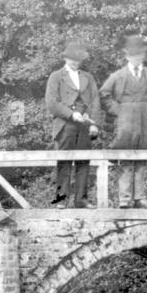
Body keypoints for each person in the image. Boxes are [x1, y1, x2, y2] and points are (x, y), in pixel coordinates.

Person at [99, 33, 147, 209]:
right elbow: (103, 95)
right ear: (127, 56)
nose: (136, 58)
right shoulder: (118, 76)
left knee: (142, 159)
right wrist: (119, 110)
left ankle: (140, 198)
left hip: (145, 124)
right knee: (124, 159)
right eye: (133, 55)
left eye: (139, 55)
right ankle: (124, 198)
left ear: (143, 56)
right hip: (125, 125)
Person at [44, 41, 103, 207]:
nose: (75, 62)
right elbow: (52, 103)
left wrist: (94, 124)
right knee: (64, 161)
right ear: (66, 58)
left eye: (78, 59)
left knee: (83, 162)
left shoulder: (88, 77)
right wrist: (71, 114)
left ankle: (81, 200)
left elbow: (95, 101)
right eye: (72, 59)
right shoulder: (56, 77)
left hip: (85, 125)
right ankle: (61, 200)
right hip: (65, 124)